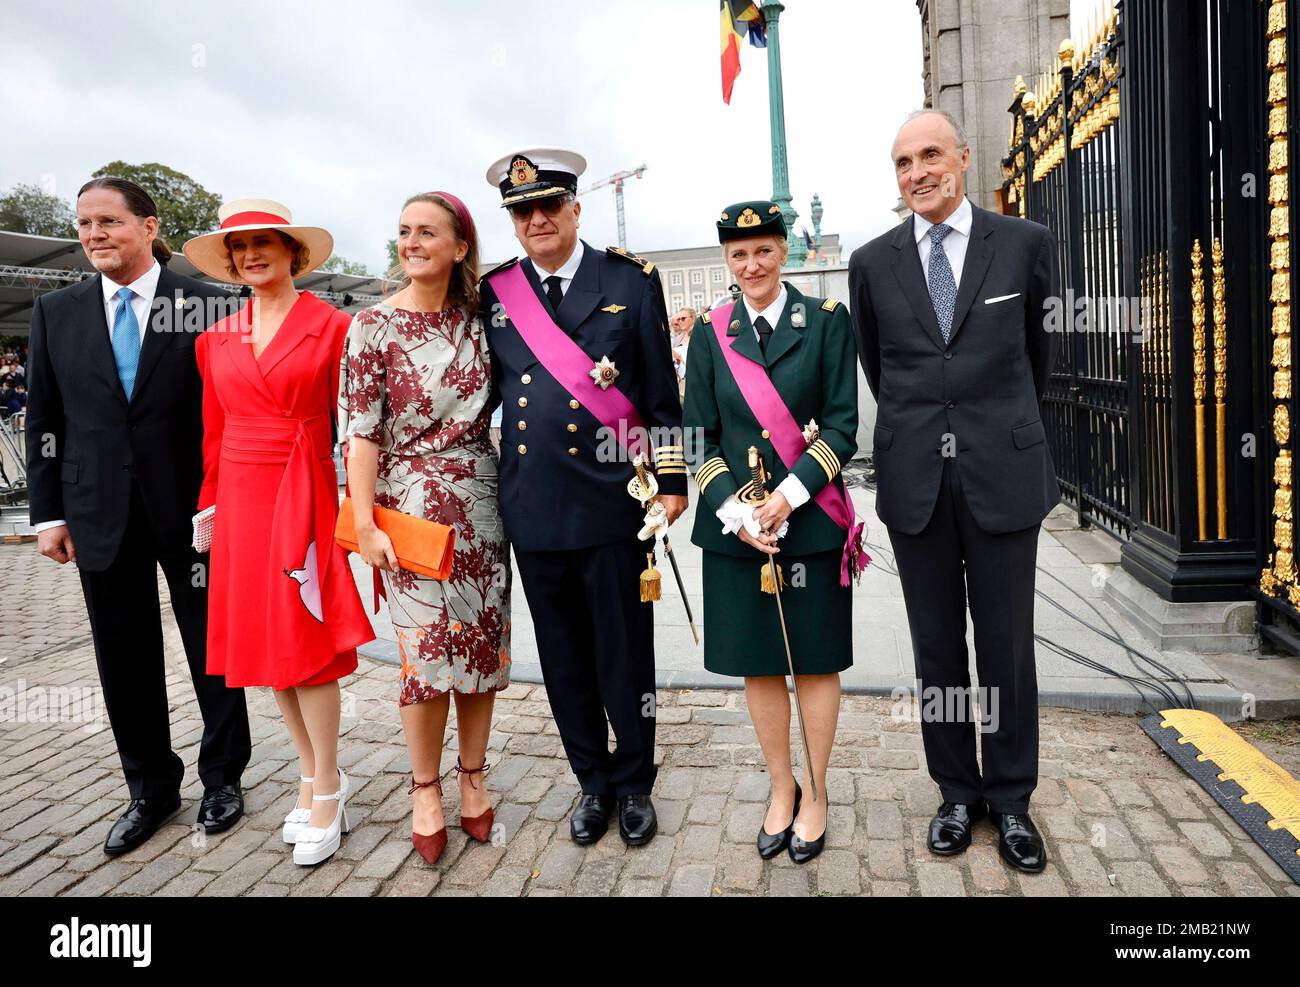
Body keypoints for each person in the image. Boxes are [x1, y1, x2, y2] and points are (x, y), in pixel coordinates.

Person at [848, 109, 1060, 873]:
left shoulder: (1024, 244)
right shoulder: (872, 263)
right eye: (903, 162)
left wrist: (993, 431)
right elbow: (883, 367)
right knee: (937, 649)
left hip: (1003, 476)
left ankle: (1010, 800)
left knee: (1005, 648)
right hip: (916, 487)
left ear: (964, 159)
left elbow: (1038, 358)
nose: (917, 173)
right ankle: (955, 793)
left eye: (930, 155)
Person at [26, 176, 251, 856]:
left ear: (149, 227)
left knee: (212, 645)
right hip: (98, 510)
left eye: (109, 221)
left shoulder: (209, 306)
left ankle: (223, 777)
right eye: (85, 222)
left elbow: (233, 412)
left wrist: (234, 499)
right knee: (122, 656)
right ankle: (150, 787)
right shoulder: (55, 313)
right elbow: (45, 418)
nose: (94, 234)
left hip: (193, 508)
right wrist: (47, 515)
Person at [479, 148, 686, 847]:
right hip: (533, 505)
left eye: (548, 205)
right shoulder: (496, 292)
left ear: (575, 207)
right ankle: (591, 783)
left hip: (612, 503)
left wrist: (675, 482)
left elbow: (662, 397)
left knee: (624, 651)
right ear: (512, 222)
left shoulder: (628, 280)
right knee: (564, 655)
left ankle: (633, 783)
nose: (536, 219)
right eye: (521, 211)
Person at [183, 198, 373, 867]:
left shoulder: (335, 327)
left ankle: (329, 785)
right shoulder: (214, 338)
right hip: (239, 496)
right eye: (239, 248)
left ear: (292, 252)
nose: (251, 254)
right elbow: (214, 433)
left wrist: (361, 504)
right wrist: (209, 507)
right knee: (265, 647)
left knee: (307, 642)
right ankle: (311, 773)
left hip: (303, 488)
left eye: (264, 242)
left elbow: (358, 425)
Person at [683, 201, 862, 864]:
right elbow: (697, 433)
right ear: (726, 259)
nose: (751, 265)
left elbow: (843, 426)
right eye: (738, 254)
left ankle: (816, 791)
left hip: (809, 523)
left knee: (814, 660)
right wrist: (738, 510)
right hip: (736, 533)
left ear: (783, 250)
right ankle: (780, 786)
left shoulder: (823, 324)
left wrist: (785, 500)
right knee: (758, 663)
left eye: (762, 250)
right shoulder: (711, 331)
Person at [341, 191, 510, 866]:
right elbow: (360, 432)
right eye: (404, 231)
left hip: (480, 506)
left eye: (427, 232)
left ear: (460, 245)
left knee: (479, 652)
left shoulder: (483, 319)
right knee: (423, 657)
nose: (411, 242)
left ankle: (474, 776)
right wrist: (363, 524)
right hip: (407, 512)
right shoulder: (371, 327)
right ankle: (424, 788)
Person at [669, 306, 695, 402]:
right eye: (678, 319)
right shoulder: (677, 340)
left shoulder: (700, 334)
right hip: (682, 383)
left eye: (683, 319)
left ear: (692, 318)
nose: (680, 321)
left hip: (698, 380)